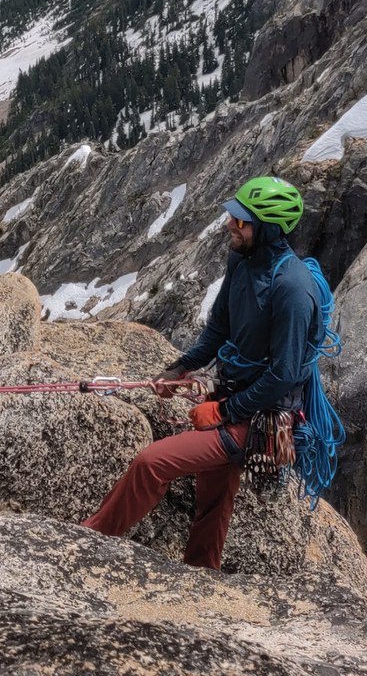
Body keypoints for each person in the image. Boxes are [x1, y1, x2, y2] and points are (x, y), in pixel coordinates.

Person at [81, 175, 323, 571]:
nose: (231, 224)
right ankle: (201, 572)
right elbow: (219, 330)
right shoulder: (241, 261)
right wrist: (179, 367)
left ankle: (89, 538)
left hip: (261, 419)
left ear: (268, 227)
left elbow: (283, 375)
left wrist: (224, 413)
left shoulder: (293, 288)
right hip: (233, 399)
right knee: (213, 499)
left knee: (151, 464)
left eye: (242, 221)